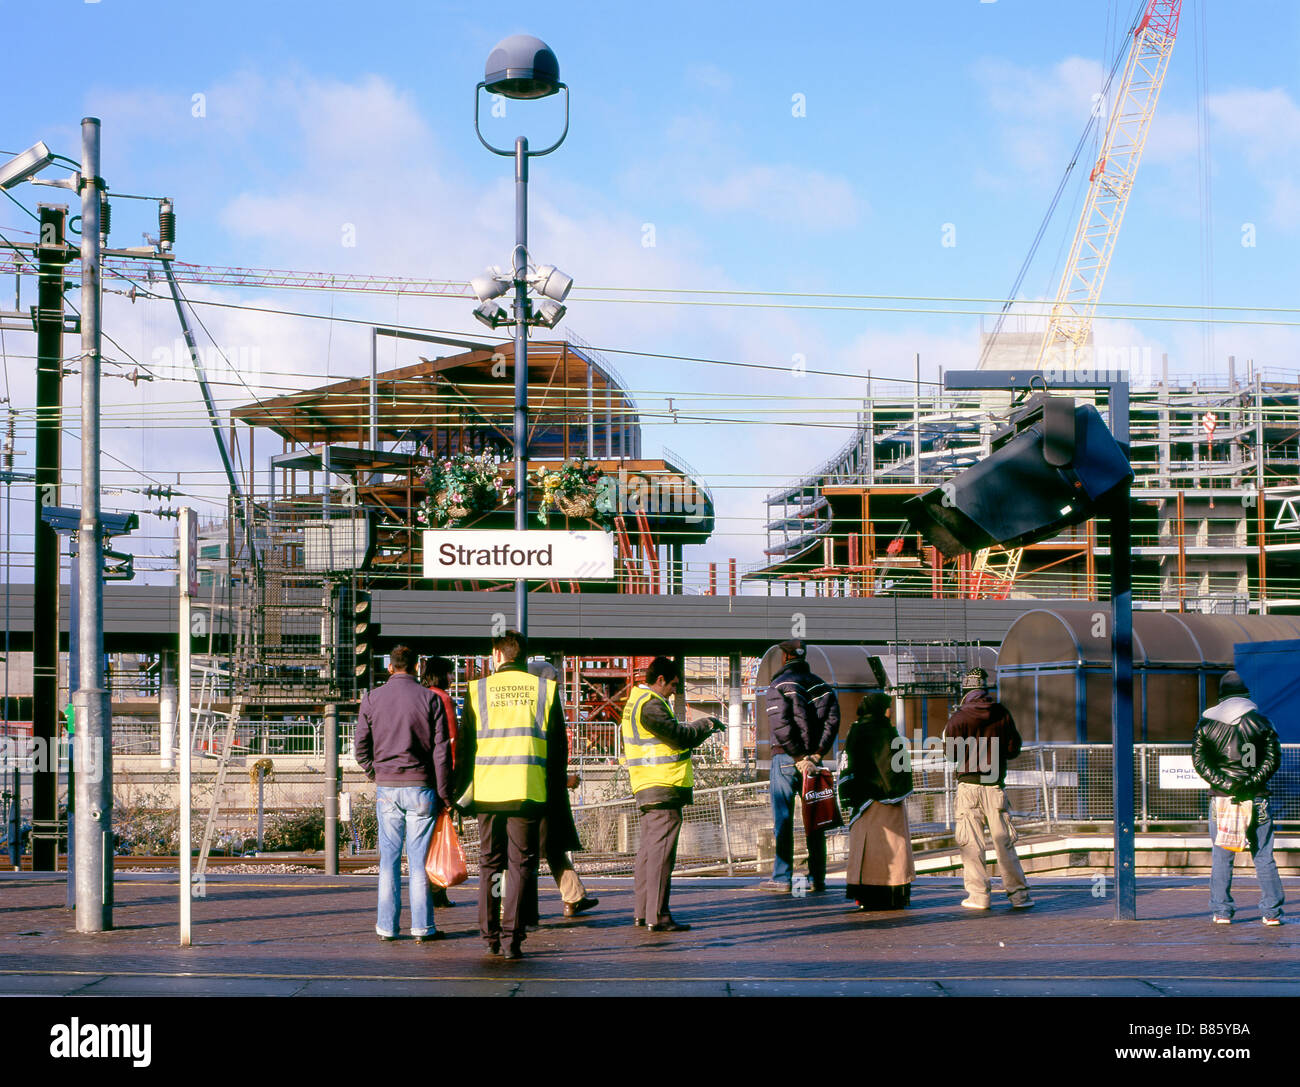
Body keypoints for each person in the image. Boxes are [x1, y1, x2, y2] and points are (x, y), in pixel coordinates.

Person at [454, 630, 566, 960]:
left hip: (489, 791)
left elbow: (465, 748)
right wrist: (555, 791)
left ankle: (489, 934)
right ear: (523, 656)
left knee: (490, 863)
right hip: (527, 790)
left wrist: (459, 796)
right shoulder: (544, 690)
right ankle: (512, 937)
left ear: (498, 655)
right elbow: (559, 747)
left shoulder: (479, 690)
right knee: (520, 865)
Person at [354, 644, 454, 943]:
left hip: (387, 788)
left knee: (389, 860)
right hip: (422, 787)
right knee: (419, 861)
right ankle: (422, 927)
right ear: (416, 666)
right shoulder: (430, 699)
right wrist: (445, 794)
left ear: (390, 667)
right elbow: (441, 753)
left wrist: (376, 772)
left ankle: (387, 926)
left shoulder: (372, 698)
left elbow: (360, 747)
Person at [621, 656, 723, 932]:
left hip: (648, 785)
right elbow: (678, 736)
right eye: (673, 685)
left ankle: (643, 912)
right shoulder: (651, 704)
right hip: (663, 786)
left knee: (648, 852)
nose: (674, 691)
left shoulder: (636, 702)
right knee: (661, 854)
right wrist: (707, 725)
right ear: (660, 680)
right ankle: (658, 915)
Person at [1192, 671, 1284, 926]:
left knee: (1222, 854)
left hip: (1222, 799)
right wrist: (1251, 782)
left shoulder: (1206, 724)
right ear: (1246, 695)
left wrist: (1226, 784)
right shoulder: (1262, 722)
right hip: (1257, 798)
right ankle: (1272, 912)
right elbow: (1272, 759)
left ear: (1221, 697)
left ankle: (1222, 911)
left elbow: (1200, 762)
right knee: (1263, 854)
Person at [942, 667, 1032, 911]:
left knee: (971, 844)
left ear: (966, 691)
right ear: (985, 690)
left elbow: (951, 755)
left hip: (969, 785)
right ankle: (1019, 895)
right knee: (1004, 843)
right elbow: (1013, 748)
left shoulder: (958, 719)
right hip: (994, 787)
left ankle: (979, 896)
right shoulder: (1002, 713)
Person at [758, 638, 840, 894]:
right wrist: (816, 754)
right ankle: (817, 878)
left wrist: (797, 757)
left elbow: (780, 726)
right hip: (814, 763)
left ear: (784, 658)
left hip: (785, 760)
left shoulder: (778, 685)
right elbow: (833, 721)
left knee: (783, 820)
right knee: (816, 819)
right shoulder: (823, 686)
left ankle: (782, 879)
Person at [524, 660, 599, 924]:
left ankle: (574, 895)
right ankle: (522, 907)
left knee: (541, 845)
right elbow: (552, 751)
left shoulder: (526, 704)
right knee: (539, 847)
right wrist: (562, 779)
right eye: (555, 678)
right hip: (544, 789)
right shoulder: (548, 704)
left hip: (529, 786)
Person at [839, 692, 915, 910]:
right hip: (884, 802)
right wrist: (897, 787)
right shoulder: (883, 731)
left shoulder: (855, 729)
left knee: (865, 850)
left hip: (862, 802)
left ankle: (864, 896)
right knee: (892, 849)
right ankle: (889, 896)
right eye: (888, 706)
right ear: (881, 709)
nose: (891, 710)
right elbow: (893, 766)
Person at [419, 656, 460, 910]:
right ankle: (437, 889)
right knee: (437, 835)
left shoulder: (420, 695)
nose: (452, 679)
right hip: (439, 777)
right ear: (441, 674)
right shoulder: (442, 699)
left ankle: (426, 890)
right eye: (450, 674)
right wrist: (451, 784)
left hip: (418, 776)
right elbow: (450, 743)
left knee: (421, 839)